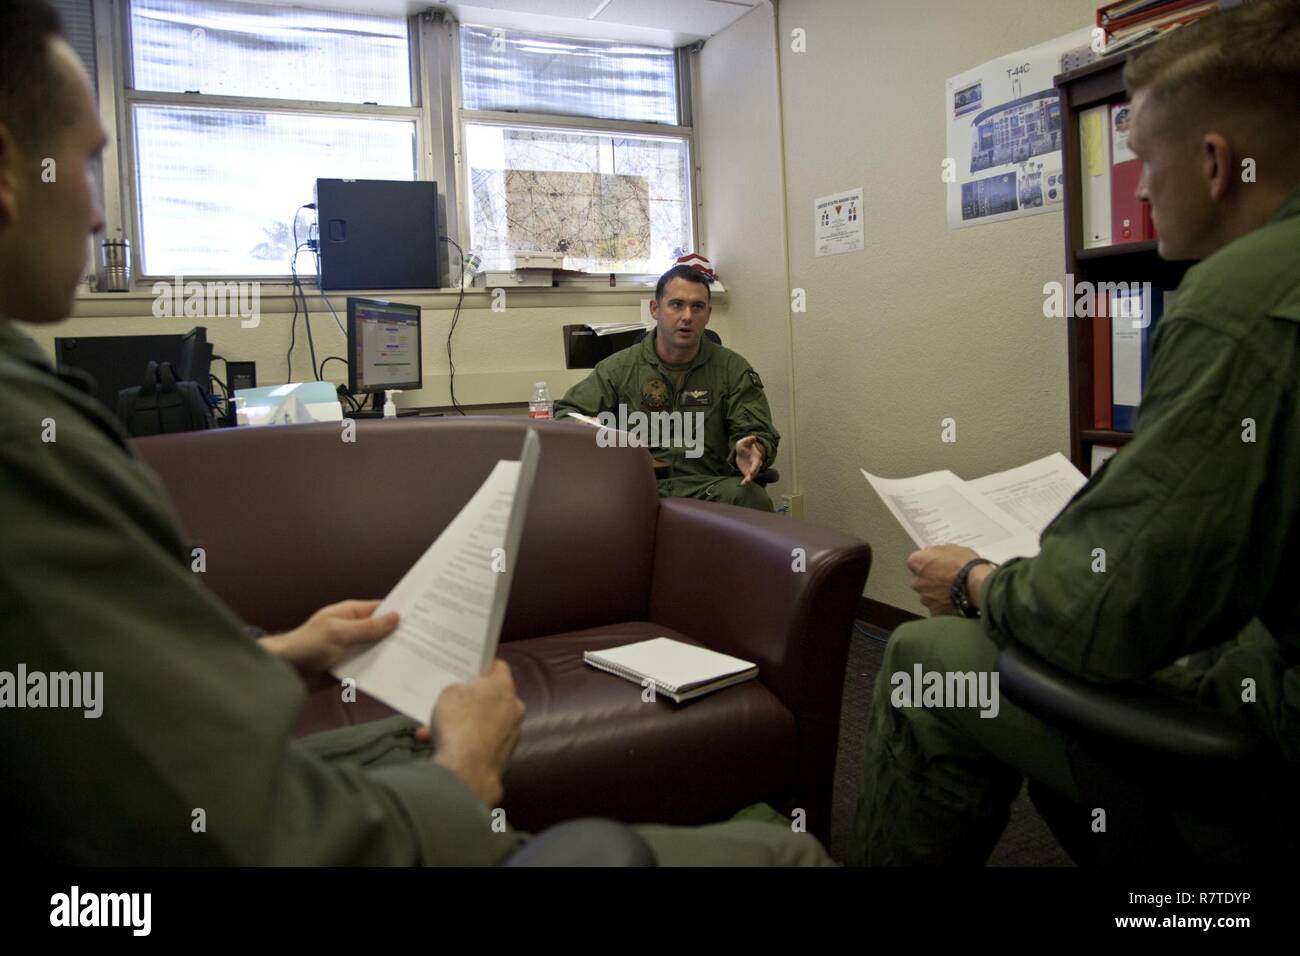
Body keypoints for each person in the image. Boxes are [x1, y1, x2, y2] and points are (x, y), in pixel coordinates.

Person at [0, 0, 830, 866]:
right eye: (91, 165)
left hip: (702, 502)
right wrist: (464, 770)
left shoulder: (732, 371)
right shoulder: (28, 448)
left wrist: (282, 652)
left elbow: (136, 688)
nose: (99, 216)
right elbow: (245, 823)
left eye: (701, 305)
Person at [851, 0, 1300, 865]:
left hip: (1274, 729)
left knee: (925, 655)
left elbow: (1103, 614)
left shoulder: (1246, 296)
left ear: (1213, 164)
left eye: (1142, 163)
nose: (1133, 193)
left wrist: (980, 581)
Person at [554, 265, 780, 512]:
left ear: (708, 313)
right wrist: (587, 428)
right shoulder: (618, 368)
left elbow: (756, 430)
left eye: (697, 307)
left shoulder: (732, 369)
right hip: (639, 485)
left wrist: (755, 448)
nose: (687, 316)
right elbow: (567, 413)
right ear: (655, 309)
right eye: (676, 305)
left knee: (752, 498)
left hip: (709, 486)